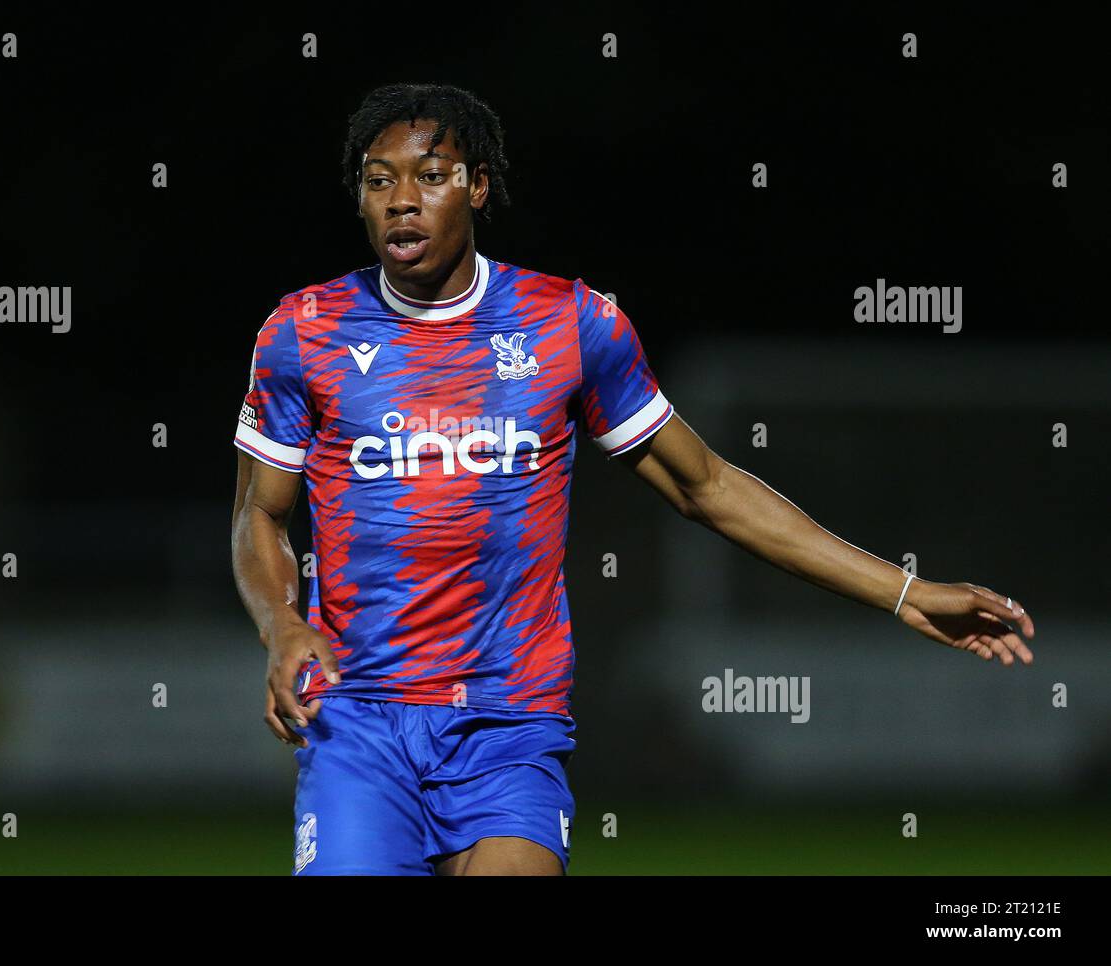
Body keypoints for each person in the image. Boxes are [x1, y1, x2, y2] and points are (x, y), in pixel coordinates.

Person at [229, 83, 1036, 876]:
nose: (403, 200)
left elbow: (706, 487)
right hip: (361, 721)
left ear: (477, 187)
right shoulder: (304, 335)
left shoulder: (569, 325)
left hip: (509, 724)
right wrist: (281, 624)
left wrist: (906, 591)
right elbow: (257, 519)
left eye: (431, 176)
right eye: (379, 181)